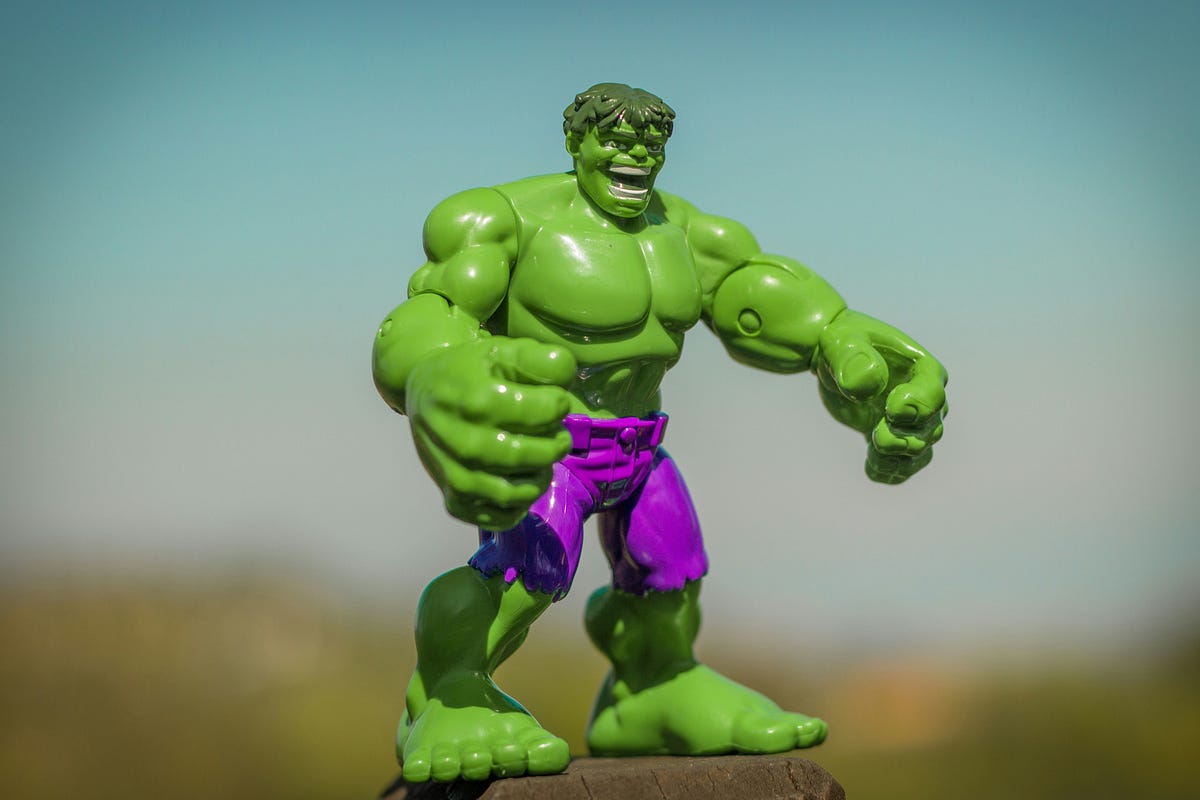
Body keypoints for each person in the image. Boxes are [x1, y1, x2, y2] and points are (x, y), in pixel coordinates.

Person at [372, 82, 948, 783]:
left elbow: (749, 294)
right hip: (553, 446)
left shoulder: (684, 231)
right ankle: (446, 691)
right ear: (576, 141)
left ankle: (652, 686)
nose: (635, 155)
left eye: (651, 142)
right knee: (524, 577)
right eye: (616, 139)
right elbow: (433, 308)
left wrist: (837, 337)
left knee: (673, 566)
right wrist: (438, 372)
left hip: (640, 449)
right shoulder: (505, 220)